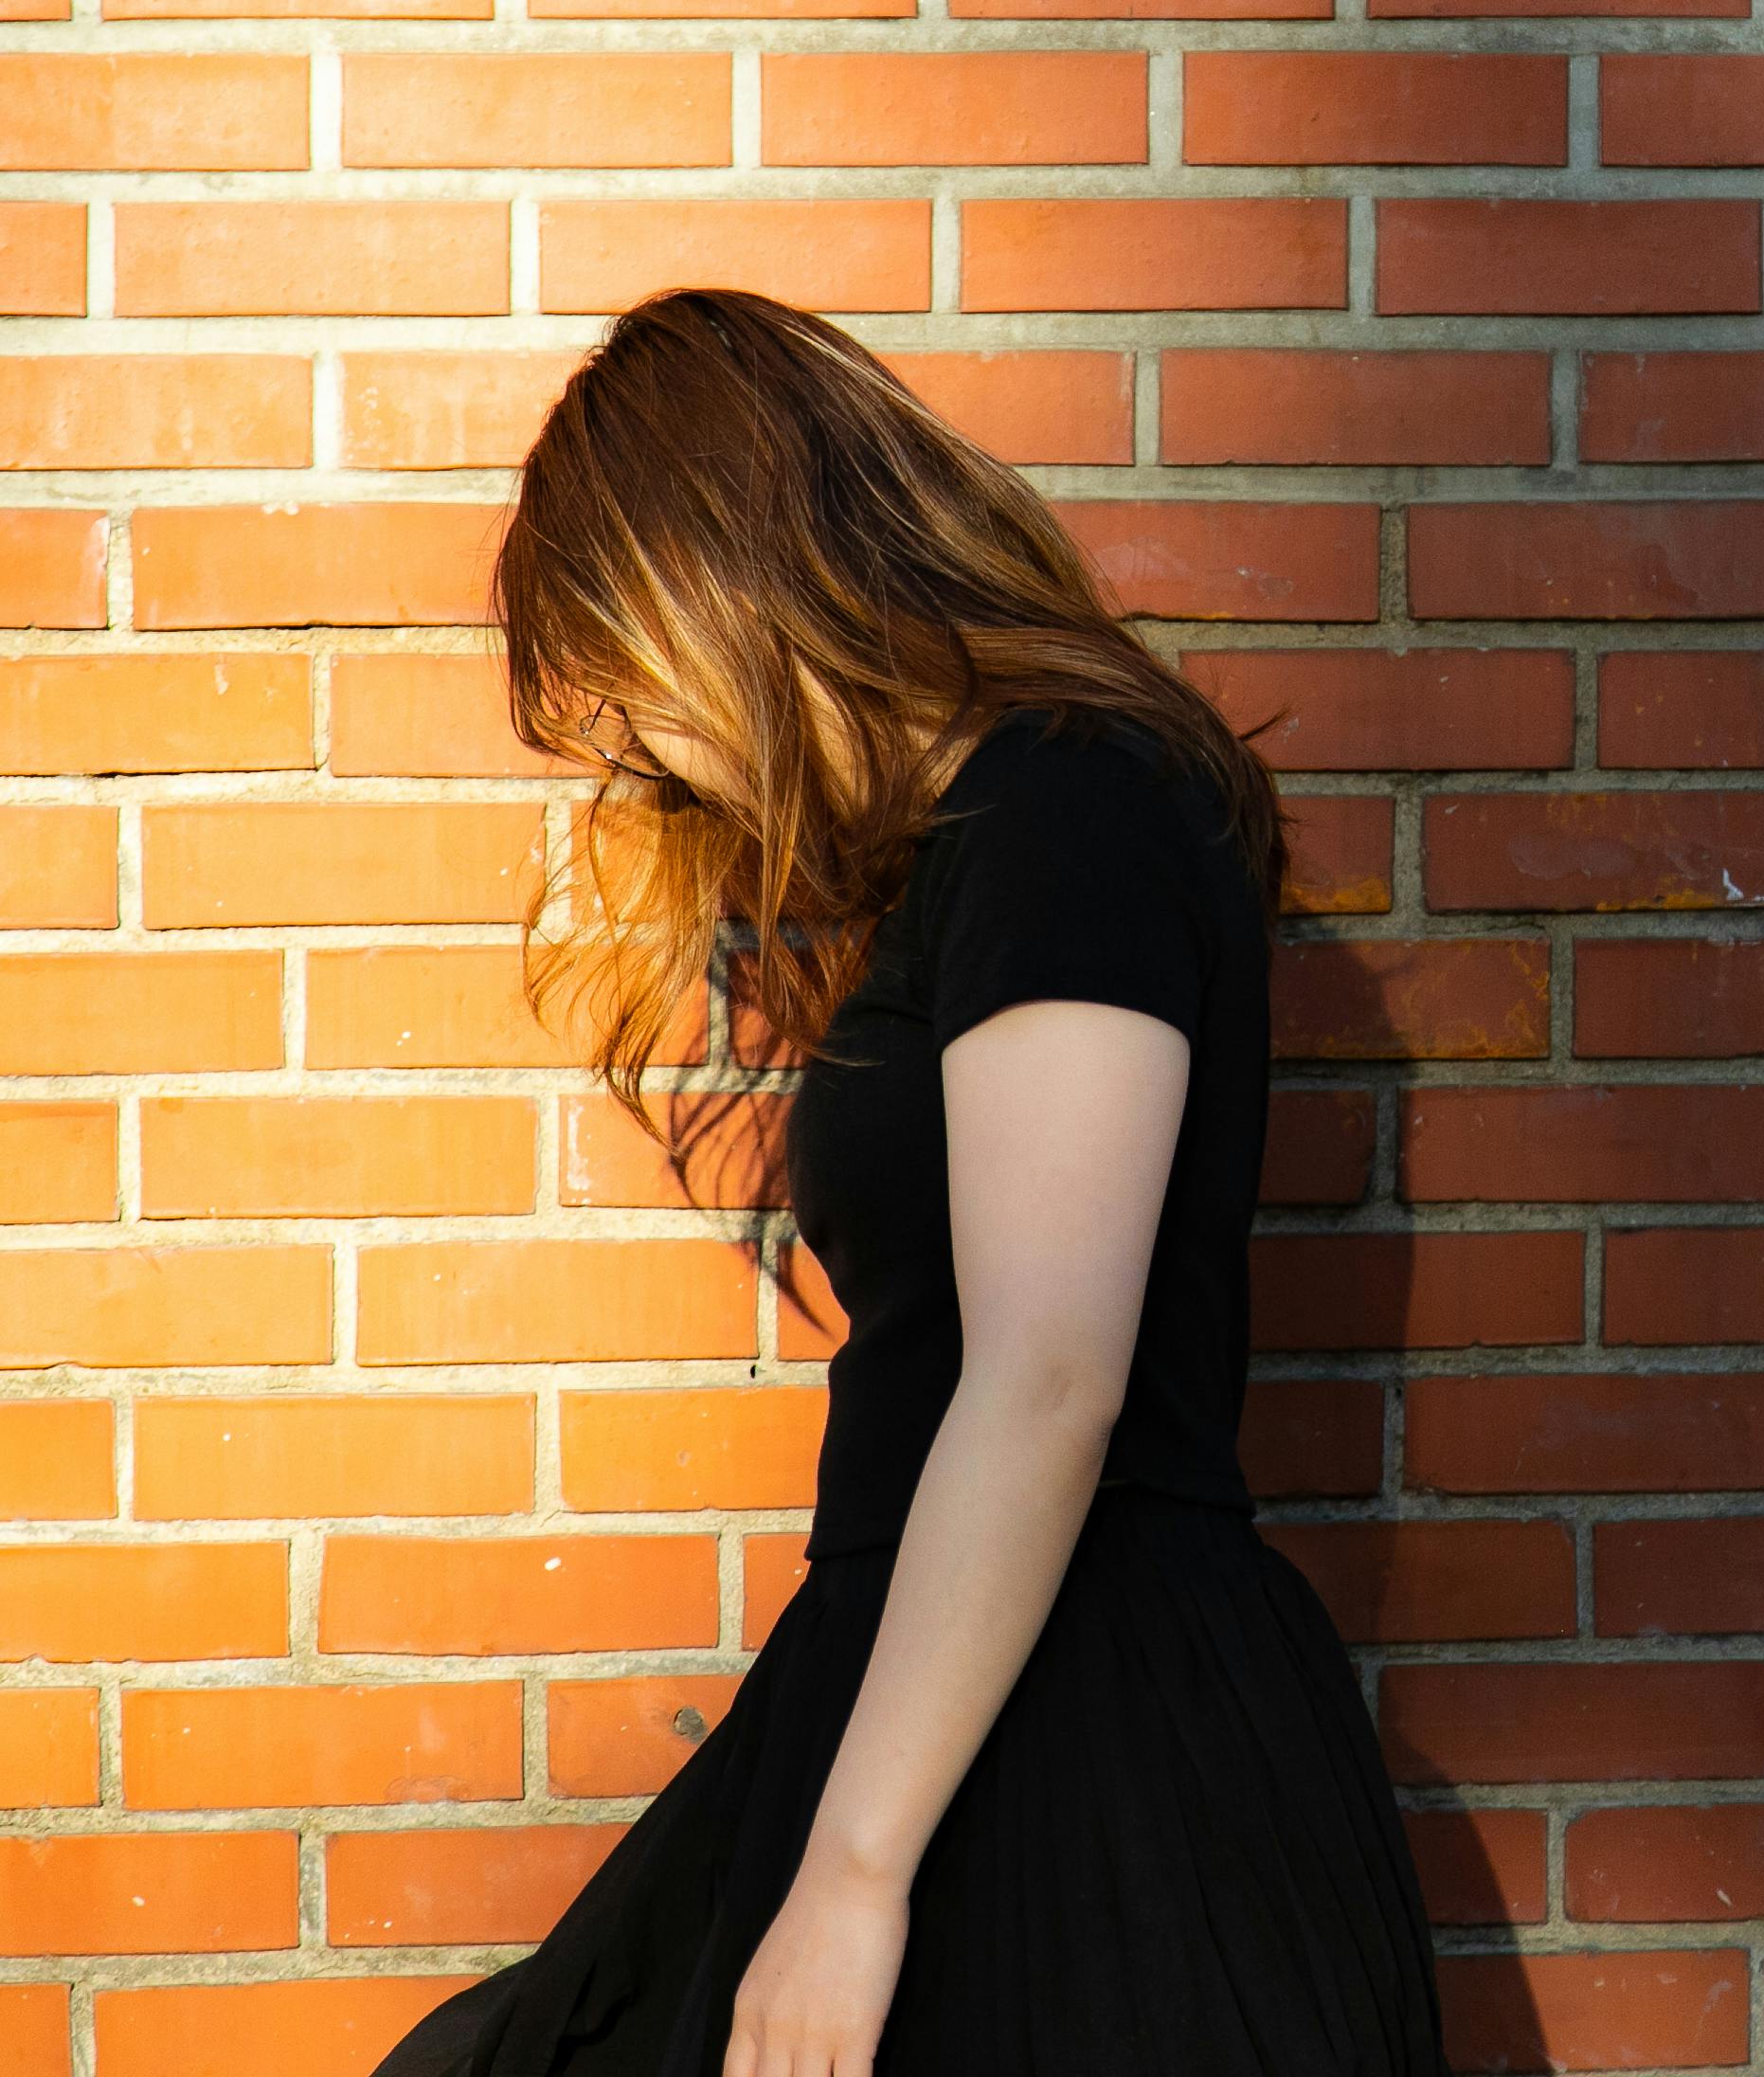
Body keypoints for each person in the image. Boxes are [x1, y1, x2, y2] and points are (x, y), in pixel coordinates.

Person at [367, 287, 1454, 2077]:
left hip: (1082, 1748)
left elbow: (1049, 1371)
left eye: (636, 684)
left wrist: (856, 1874)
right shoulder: (997, 837)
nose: (645, 753)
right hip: (967, 1702)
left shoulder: (1073, 808)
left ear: (729, 591)